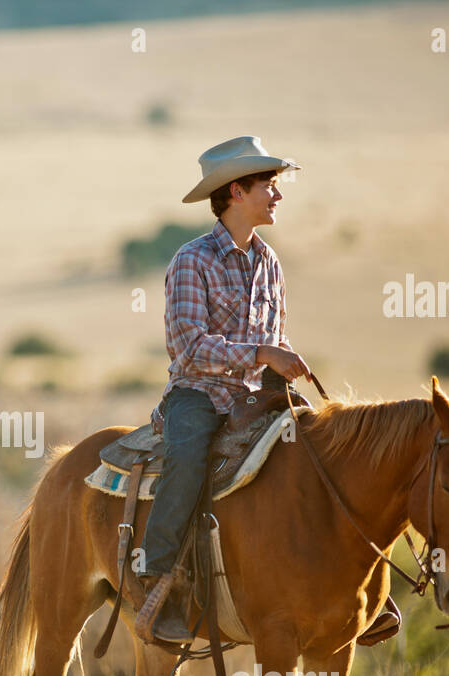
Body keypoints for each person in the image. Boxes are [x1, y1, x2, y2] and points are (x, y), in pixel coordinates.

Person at [134, 136, 312, 644]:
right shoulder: (192, 260)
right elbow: (187, 346)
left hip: (257, 397)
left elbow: (274, 336)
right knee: (188, 456)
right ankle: (160, 578)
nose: (277, 196)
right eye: (268, 186)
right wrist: (261, 355)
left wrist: (281, 358)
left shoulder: (270, 264)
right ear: (237, 191)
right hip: (199, 394)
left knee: (322, 446)